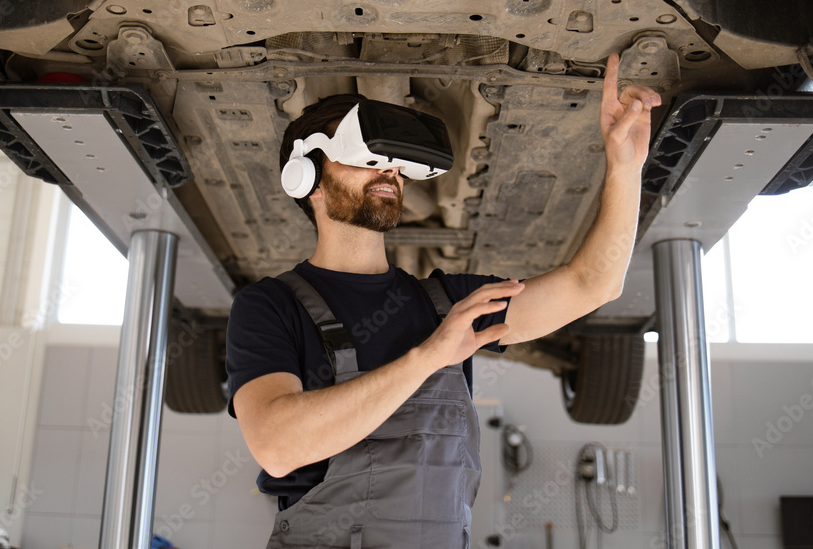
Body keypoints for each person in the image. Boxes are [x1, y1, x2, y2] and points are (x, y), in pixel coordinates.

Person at [226, 53, 661, 548]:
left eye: (394, 160)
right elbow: (279, 447)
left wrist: (625, 167)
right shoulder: (270, 306)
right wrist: (430, 356)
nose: (388, 171)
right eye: (365, 156)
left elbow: (592, 285)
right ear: (307, 177)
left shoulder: (445, 302)